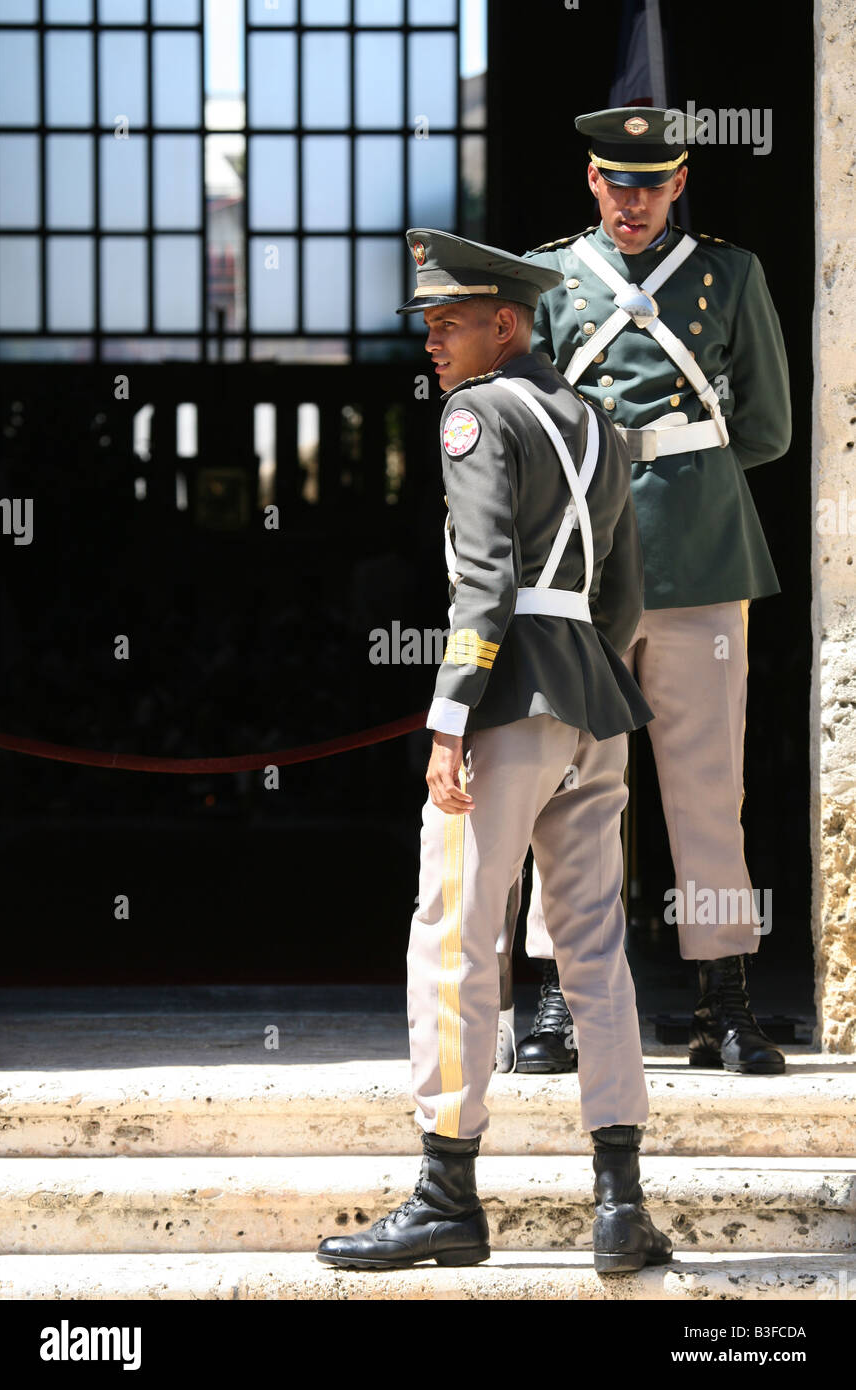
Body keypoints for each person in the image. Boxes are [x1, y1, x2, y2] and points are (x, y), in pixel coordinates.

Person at [316, 228, 672, 1274]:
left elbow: (483, 577)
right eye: (428, 324)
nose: (432, 340)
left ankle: (445, 1192)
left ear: (506, 325)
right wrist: (585, 680)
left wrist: (448, 714)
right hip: (588, 703)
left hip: (504, 699)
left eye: (449, 321)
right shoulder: (597, 421)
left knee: (458, 936)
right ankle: (617, 1199)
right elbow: (624, 593)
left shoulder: (475, 416)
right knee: (593, 944)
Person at [509, 106, 791, 1077]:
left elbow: (766, 428)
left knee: (707, 786)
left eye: (650, 183)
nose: (630, 202)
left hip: (699, 557)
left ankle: (724, 998)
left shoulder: (732, 273)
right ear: (590, 180)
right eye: (613, 182)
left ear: (678, 184)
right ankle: (556, 994)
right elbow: (523, 424)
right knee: (572, 782)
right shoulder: (543, 276)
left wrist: (679, 470)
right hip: (580, 564)